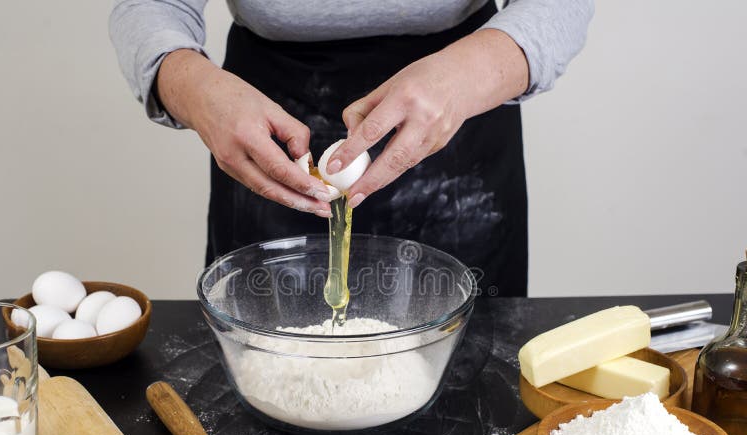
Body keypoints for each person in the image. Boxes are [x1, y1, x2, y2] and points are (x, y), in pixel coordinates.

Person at [110, 1, 593, 297]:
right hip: (268, 114)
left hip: (458, 115)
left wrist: (476, 72)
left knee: (470, 383)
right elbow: (151, 4)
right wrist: (193, 89)